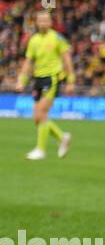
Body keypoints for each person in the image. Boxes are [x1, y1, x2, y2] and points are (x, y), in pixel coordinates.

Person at [17, 9, 74, 161]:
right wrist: (21, 79)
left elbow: (67, 59)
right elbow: (28, 62)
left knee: (42, 112)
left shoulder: (57, 38)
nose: (43, 23)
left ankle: (41, 150)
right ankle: (62, 138)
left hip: (52, 78)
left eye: (46, 20)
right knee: (37, 118)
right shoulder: (33, 40)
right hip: (38, 80)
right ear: (36, 22)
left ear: (50, 22)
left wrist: (70, 81)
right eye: (40, 20)